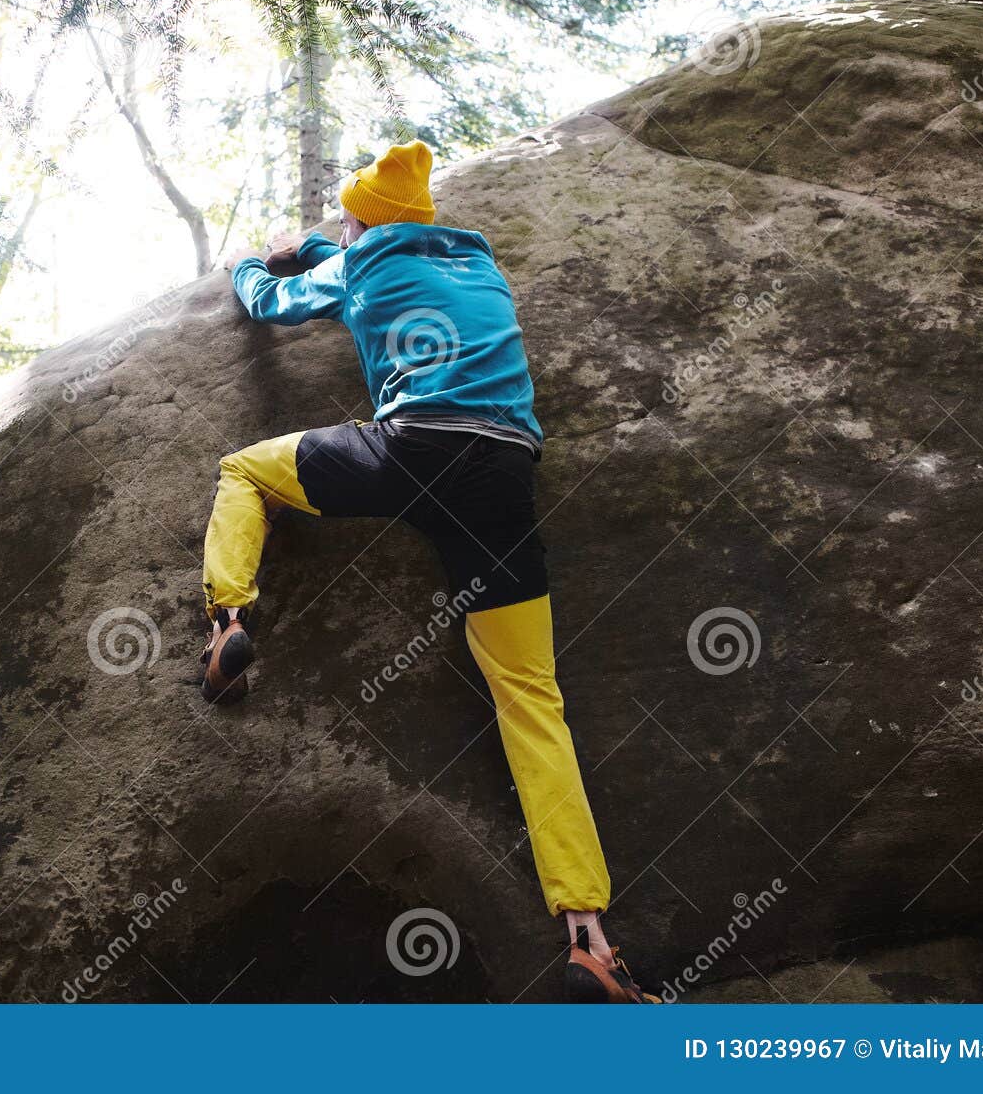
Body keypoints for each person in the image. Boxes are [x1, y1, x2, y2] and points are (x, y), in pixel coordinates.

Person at [203, 140, 659, 1003]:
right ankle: (592, 936)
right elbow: (363, 246)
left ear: (363, 224)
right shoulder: (477, 267)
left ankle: (230, 619)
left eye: (348, 219)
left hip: (410, 451)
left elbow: (276, 299)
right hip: (503, 472)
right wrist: (325, 238)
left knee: (243, 470)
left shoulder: (356, 268)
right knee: (530, 696)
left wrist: (251, 269)